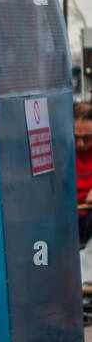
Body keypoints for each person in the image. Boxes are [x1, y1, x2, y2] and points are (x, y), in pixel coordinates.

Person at [77, 102, 92, 245]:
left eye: (86, 138)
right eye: (76, 137)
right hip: (68, 216)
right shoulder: (62, 149)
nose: (80, 144)